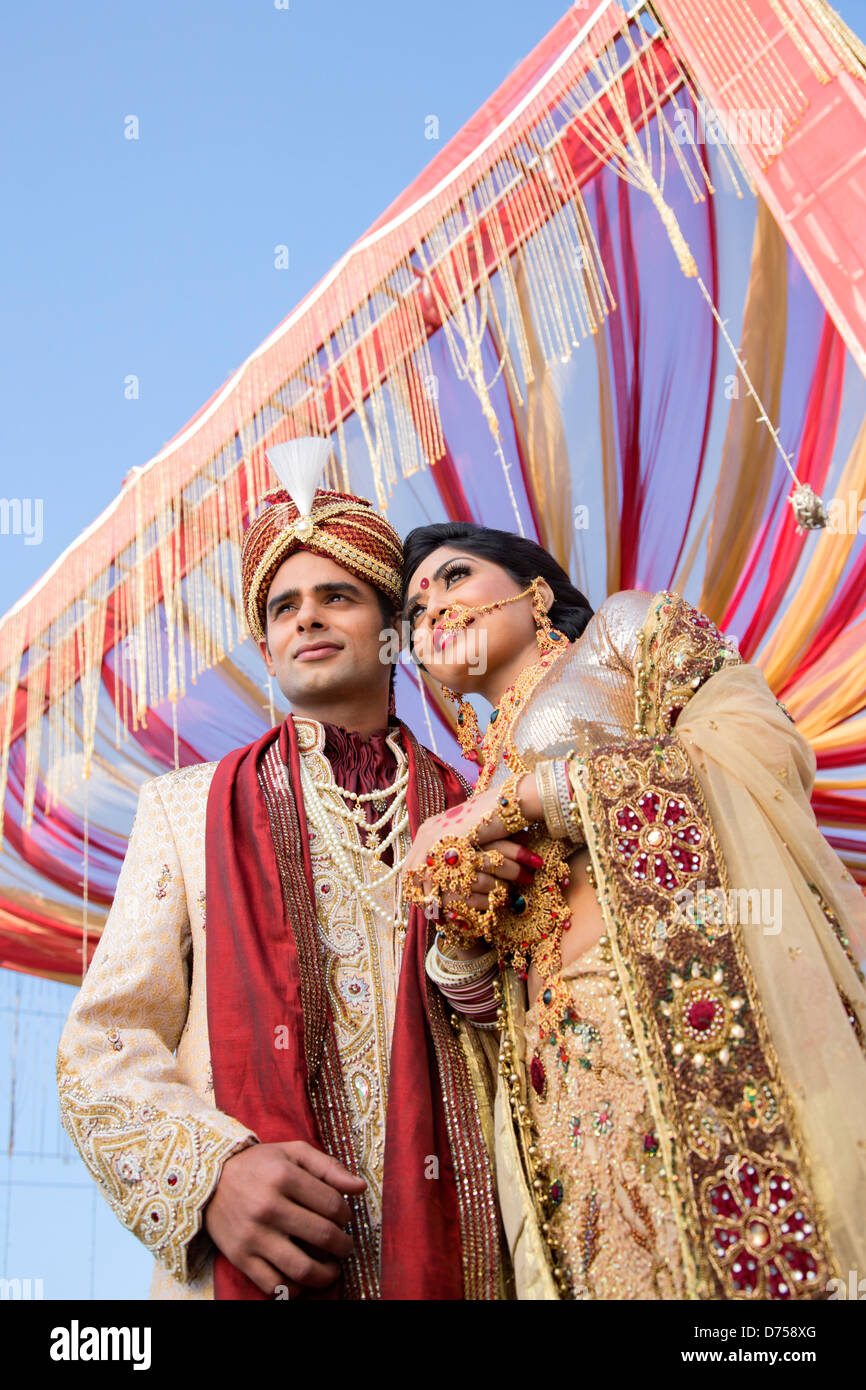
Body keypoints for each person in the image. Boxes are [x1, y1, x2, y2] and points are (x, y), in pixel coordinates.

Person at [56, 442, 517, 1301]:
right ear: (267, 650)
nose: (307, 618)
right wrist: (212, 1178)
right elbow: (100, 1048)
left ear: (391, 633)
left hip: (475, 1260)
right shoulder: (186, 809)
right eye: (283, 607)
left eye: (336, 595)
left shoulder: (486, 808)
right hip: (256, 1268)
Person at [401, 520, 866, 1301]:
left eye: (453, 578)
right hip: (564, 1086)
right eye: (414, 611)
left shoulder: (622, 631)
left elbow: (758, 742)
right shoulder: (463, 791)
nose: (433, 611)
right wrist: (458, 932)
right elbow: (484, 1017)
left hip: (689, 1003)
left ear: (537, 591)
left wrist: (538, 796)